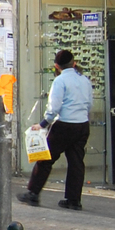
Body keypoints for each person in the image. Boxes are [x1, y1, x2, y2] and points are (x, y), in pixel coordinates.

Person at [18, 49, 94, 211]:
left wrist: (43, 124)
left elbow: (54, 107)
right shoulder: (84, 80)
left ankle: (33, 193)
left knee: (45, 159)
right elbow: (89, 104)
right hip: (82, 125)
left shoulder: (60, 81)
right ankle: (73, 200)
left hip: (64, 125)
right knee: (76, 163)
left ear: (56, 66)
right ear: (74, 63)